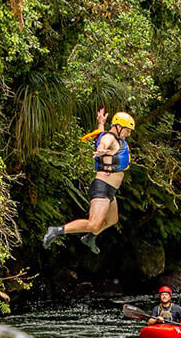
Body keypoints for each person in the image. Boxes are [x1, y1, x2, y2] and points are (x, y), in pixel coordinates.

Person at [43, 108, 135, 254]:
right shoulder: (110, 138)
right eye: (127, 130)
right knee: (94, 224)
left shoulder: (112, 136)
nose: (128, 134)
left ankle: (89, 238)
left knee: (112, 219)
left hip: (110, 191)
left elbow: (101, 133)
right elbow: (103, 142)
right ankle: (57, 230)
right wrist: (101, 150)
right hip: (102, 187)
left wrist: (101, 123)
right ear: (118, 127)